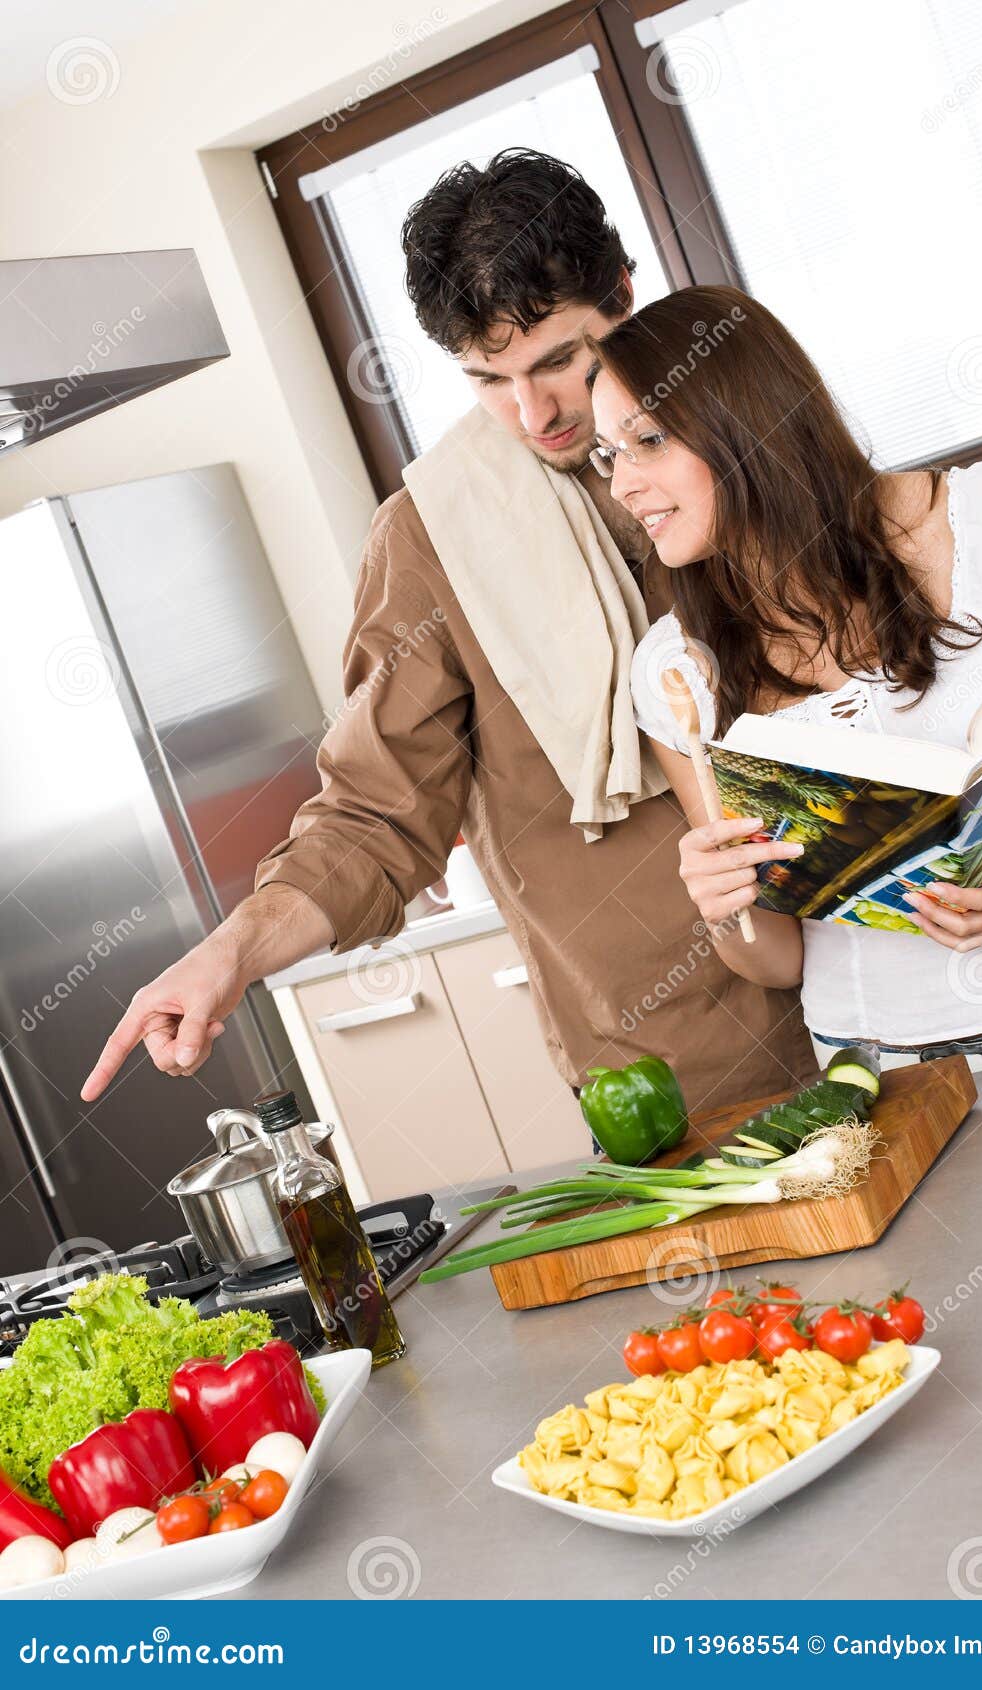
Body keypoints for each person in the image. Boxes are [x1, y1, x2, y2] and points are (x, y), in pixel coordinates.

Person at [82, 155, 816, 1125]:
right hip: (686, 1059)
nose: (532, 413)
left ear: (624, 297)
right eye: (486, 379)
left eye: (558, 359)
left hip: (885, 958)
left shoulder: (743, 434)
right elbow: (374, 813)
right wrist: (232, 951)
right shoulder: (428, 540)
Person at [587, 284, 982, 1071]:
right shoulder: (677, 670)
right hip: (880, 1070)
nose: (620, 484)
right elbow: (777, 962)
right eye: (608, 455)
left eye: (647, 442)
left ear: (744, 420)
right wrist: (721, 905)